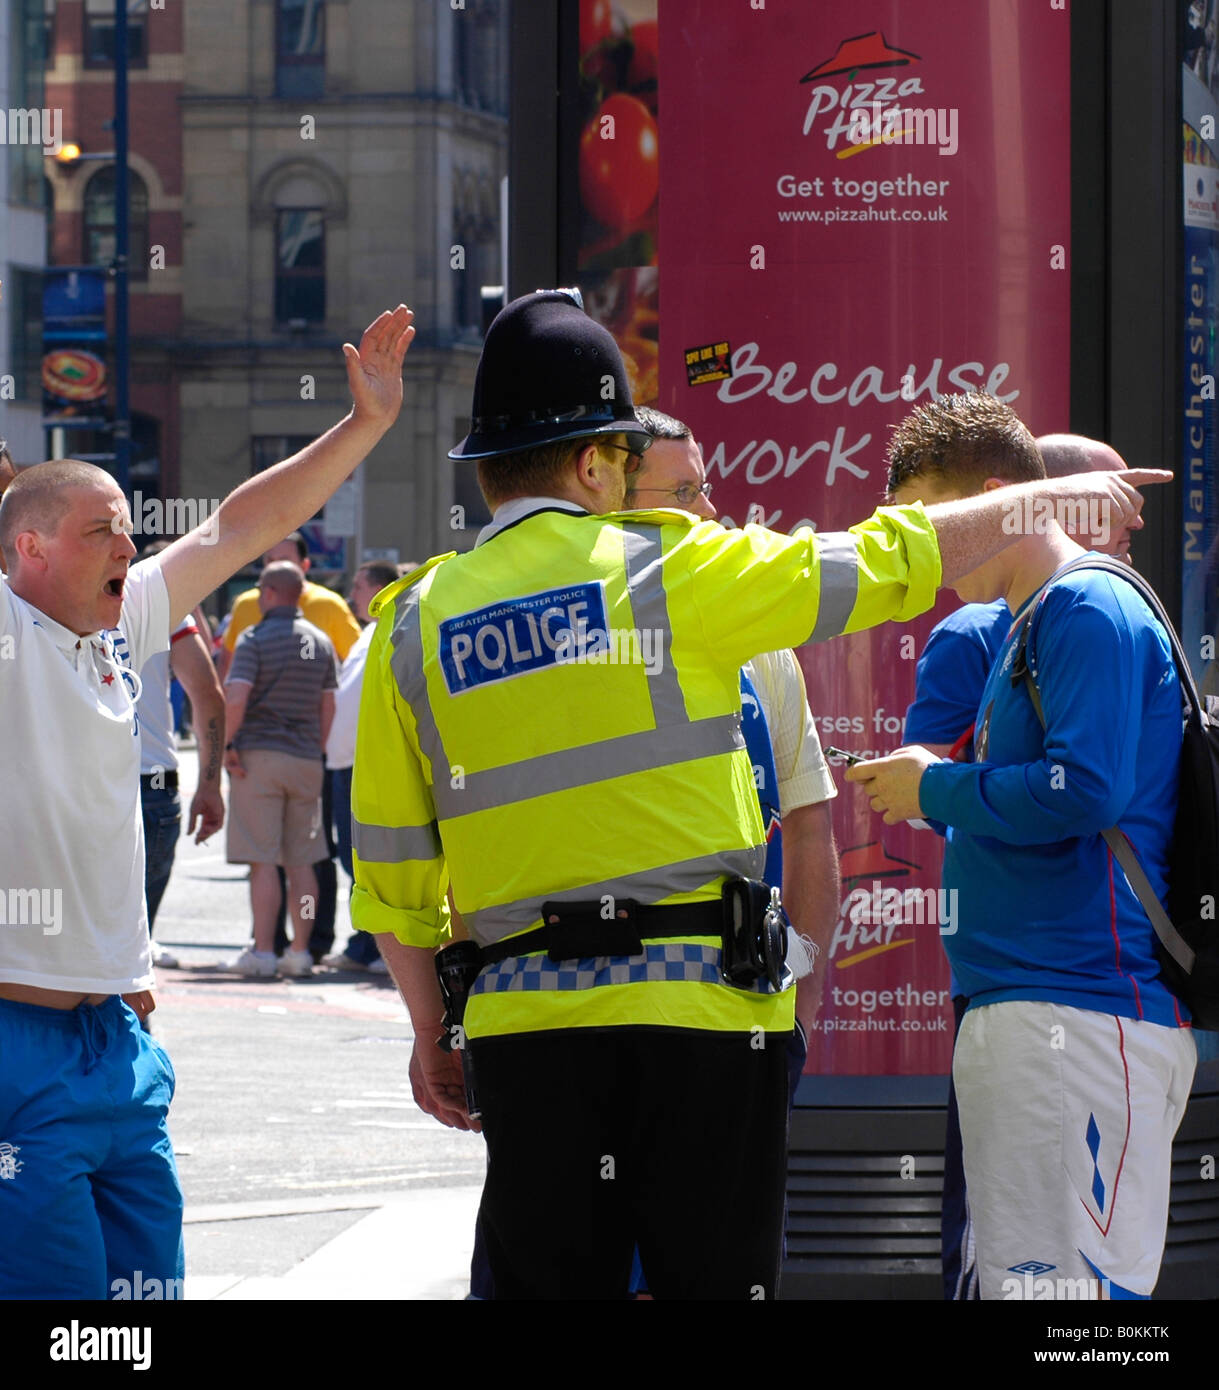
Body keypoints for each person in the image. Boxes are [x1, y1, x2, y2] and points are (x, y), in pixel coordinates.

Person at [349, 291, 1160, 1300]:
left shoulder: (411, 621)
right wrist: (1043, 502)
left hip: (526, 1031)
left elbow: (387, 866)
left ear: (486, 468)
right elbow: (877, 558)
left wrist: (435, 1034)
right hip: (702, 1020)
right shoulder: (667, 567)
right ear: (597, 461)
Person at [0, 303, 414, 1299]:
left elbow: (242, 523)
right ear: (26, 553)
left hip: (122, 1051)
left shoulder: (117, 620)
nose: (125, 548)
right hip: (19, 1050)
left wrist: (363, 424)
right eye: (100, 531)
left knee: (144, 1311)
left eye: (128, 530)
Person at [851, 393, 1195, 1300]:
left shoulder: (1080, 605)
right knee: (1032, 1288)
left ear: (996, 499)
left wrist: (931, 784)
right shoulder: (1029, 615)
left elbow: (1083, 792)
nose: (919, 553)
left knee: (1076, 1298)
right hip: (1034, 1012)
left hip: (1074, 1010)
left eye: (928, 523)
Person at [899, 432, 1136, 1300]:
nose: (1131, 515)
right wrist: (946, 791)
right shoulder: (978, 626)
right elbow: (926, 782)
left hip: (1096, 981)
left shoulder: (1098, 609)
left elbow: (1097, 788)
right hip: (1021, 974)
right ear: (1039, 503)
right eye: (1107, 496)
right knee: (1015, 1251)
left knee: (1080, 1257)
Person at [221, 533, 361, 962]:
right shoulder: (319, 642)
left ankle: (264, 950)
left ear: (267, 592)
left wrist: (227, 745)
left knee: (263, 862)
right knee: (304, 862)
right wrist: (317, 748)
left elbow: (237, 695)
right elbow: (330, 702)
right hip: (306, 761)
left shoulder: (254, 639)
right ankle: (301, 951)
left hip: (259, 757)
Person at [137, 591, 227, 969]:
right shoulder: (157, 606)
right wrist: (209, 784)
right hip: (152, 783)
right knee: (133, 949)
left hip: (66, 789)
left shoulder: (35, 598)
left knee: (61, 958)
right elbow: (207, 695)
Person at [322, 559, 404, 972]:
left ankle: (374, 949)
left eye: (358, 585)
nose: (351, 593)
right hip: (345, 763)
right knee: (351, 860)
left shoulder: (392, 626)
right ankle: (369, 946)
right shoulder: (369, 632)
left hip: (364, 764)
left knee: (368, 862)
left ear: (379, 588)